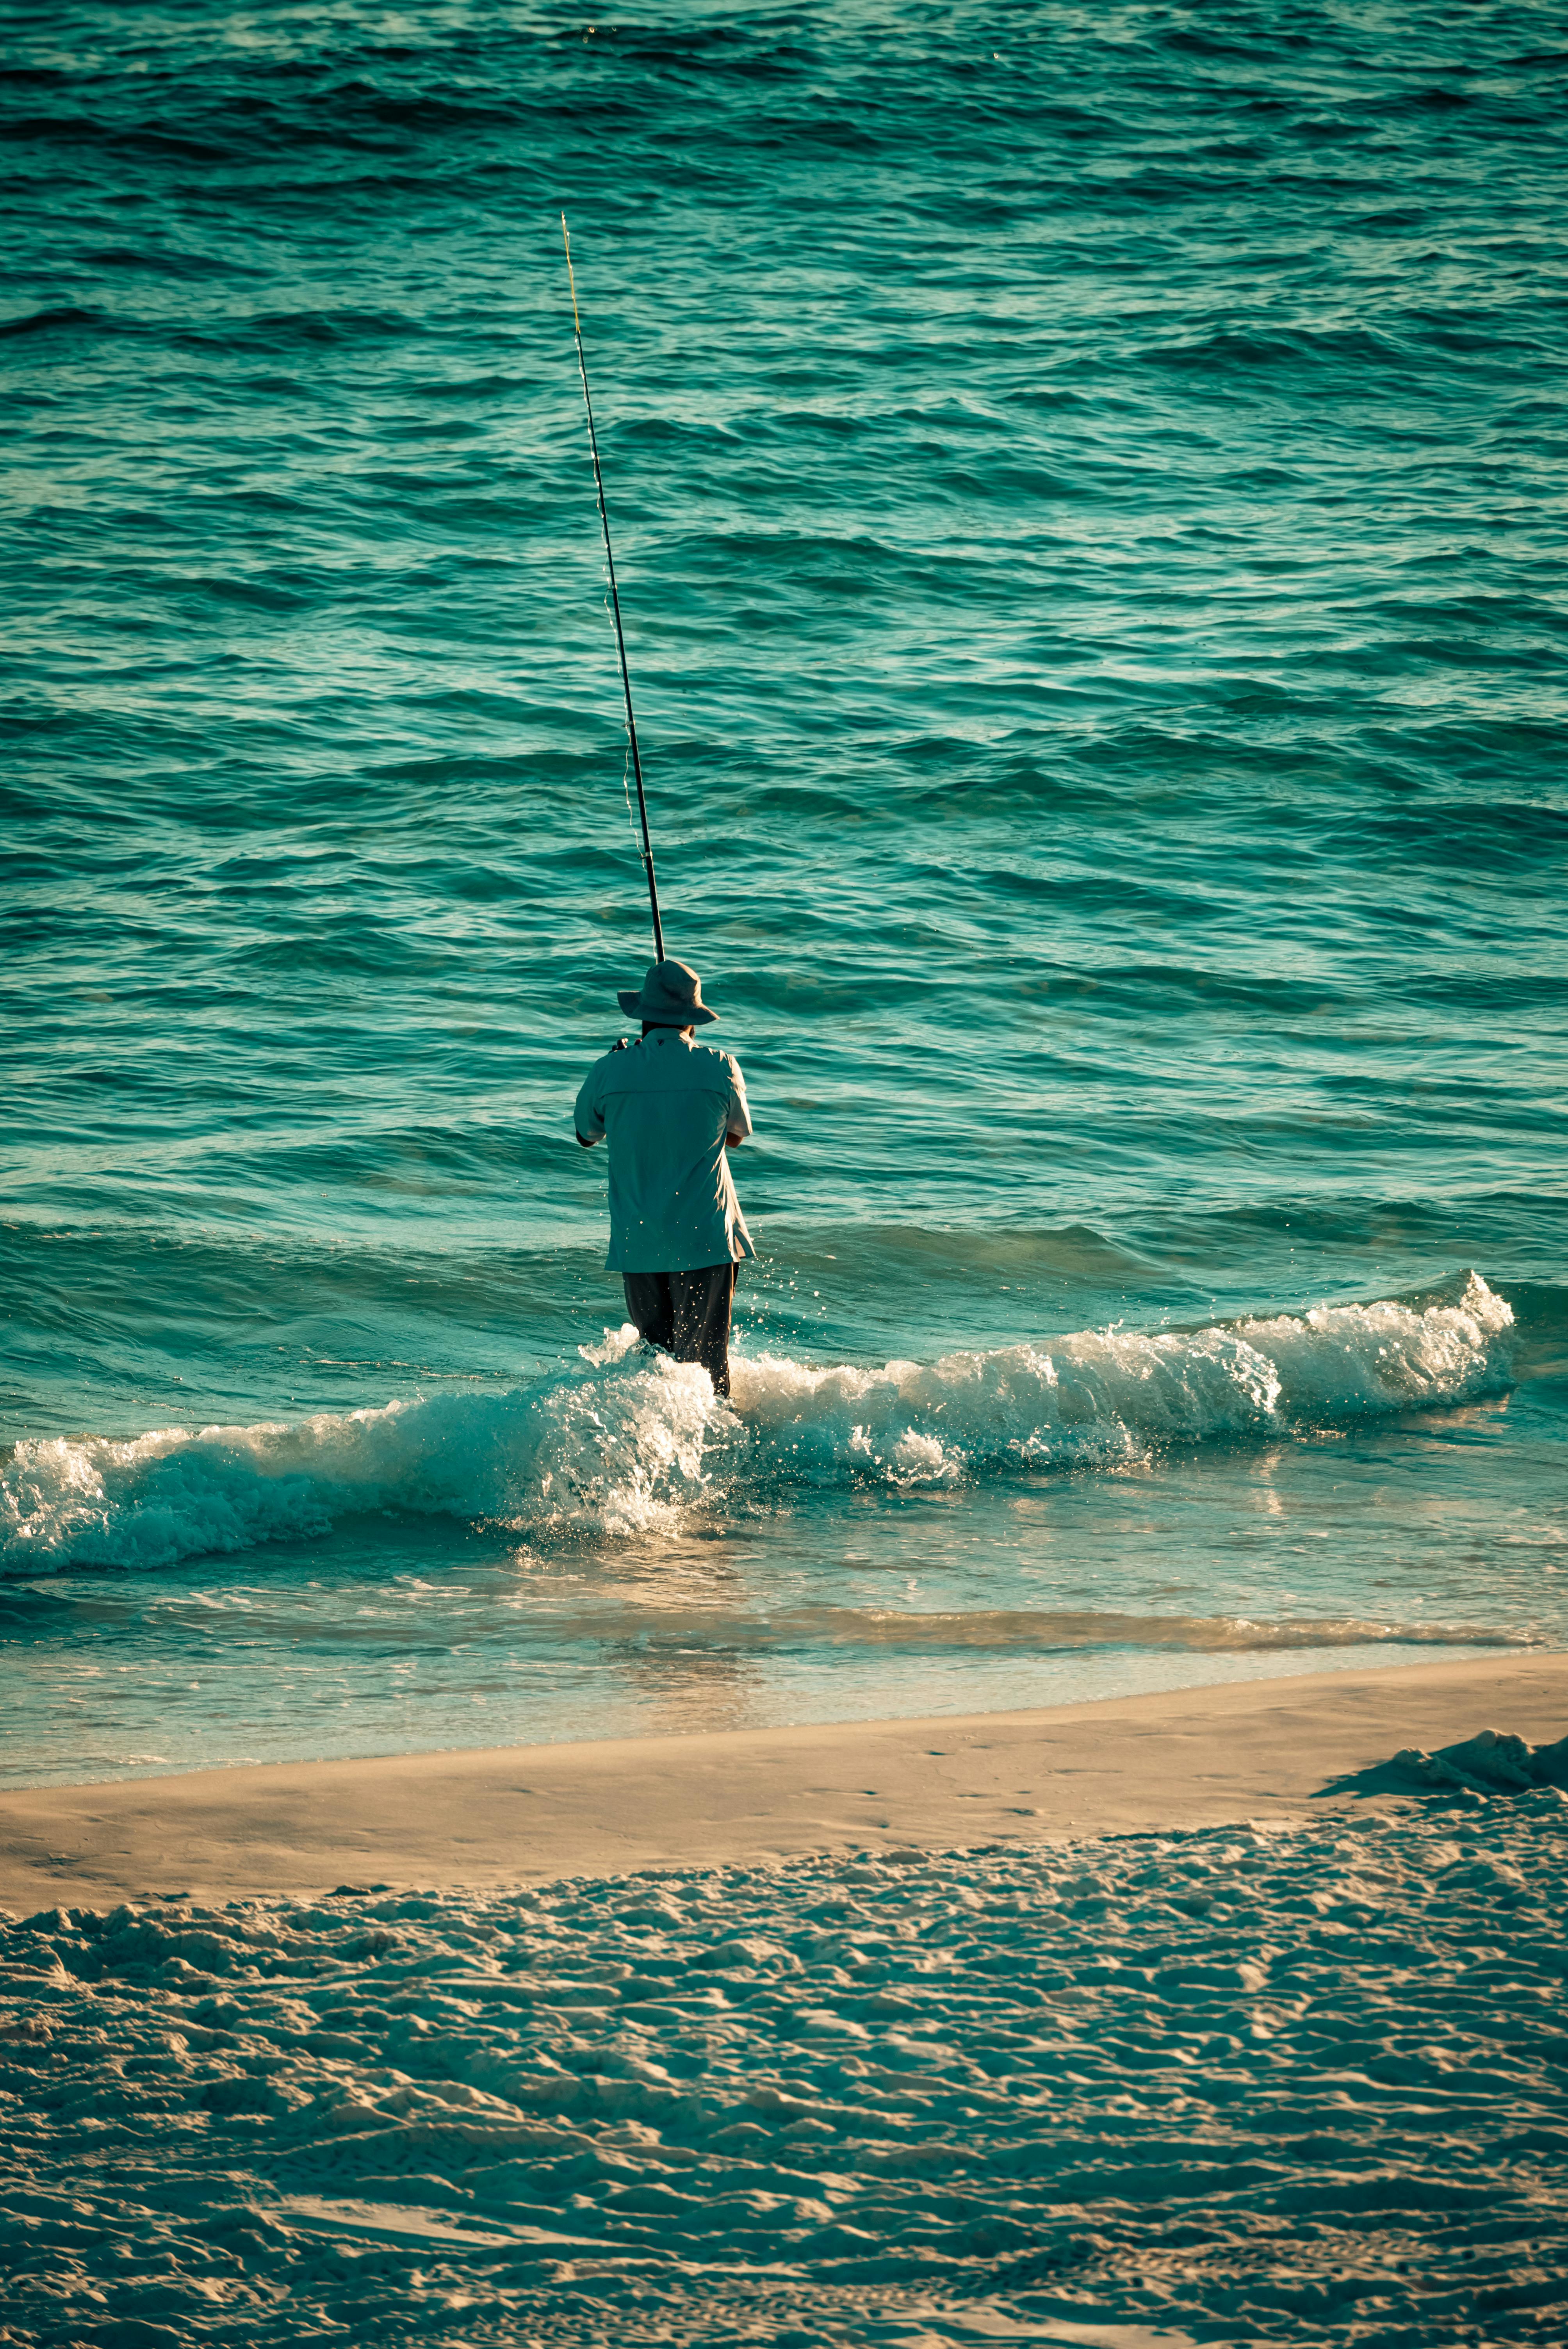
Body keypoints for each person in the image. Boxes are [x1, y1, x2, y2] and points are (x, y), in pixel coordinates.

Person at [574, 957, 754, 1397]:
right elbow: (735, 1137)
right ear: (691, 1020)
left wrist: (618, 1068)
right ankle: (722, 1449)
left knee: (655, 1362)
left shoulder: (610, 1068)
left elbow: (585, 1135)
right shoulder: (720, 1066)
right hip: (706, 1236)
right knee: (708, 1364)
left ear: (641, 1016)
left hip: (639, 1240)